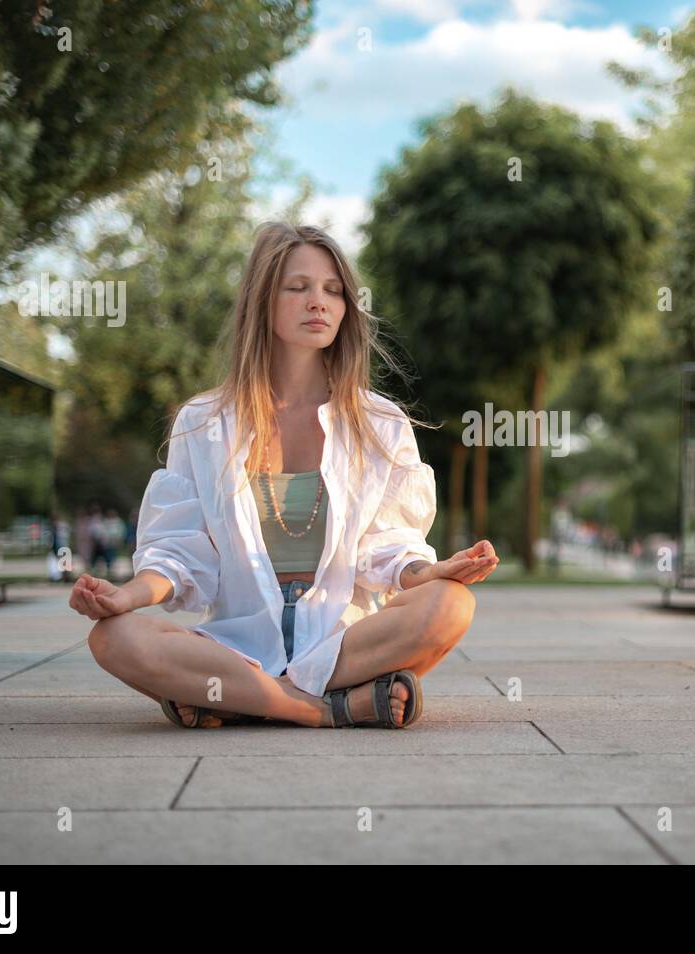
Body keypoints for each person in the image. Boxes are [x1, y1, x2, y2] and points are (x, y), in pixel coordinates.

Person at [68, 223, 497, 729]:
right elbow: (180, 552)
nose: (319, 301)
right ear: (261, 300)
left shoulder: (380, 423)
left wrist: (431, 574)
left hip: (341, 644)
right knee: (112, 636)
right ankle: (325, 708)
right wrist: (127, 596)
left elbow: (388, 546)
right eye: (298, 287)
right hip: (237, 646)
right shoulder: (204, 422)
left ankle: (238, 700)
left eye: (333, 290)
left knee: (450, 605)